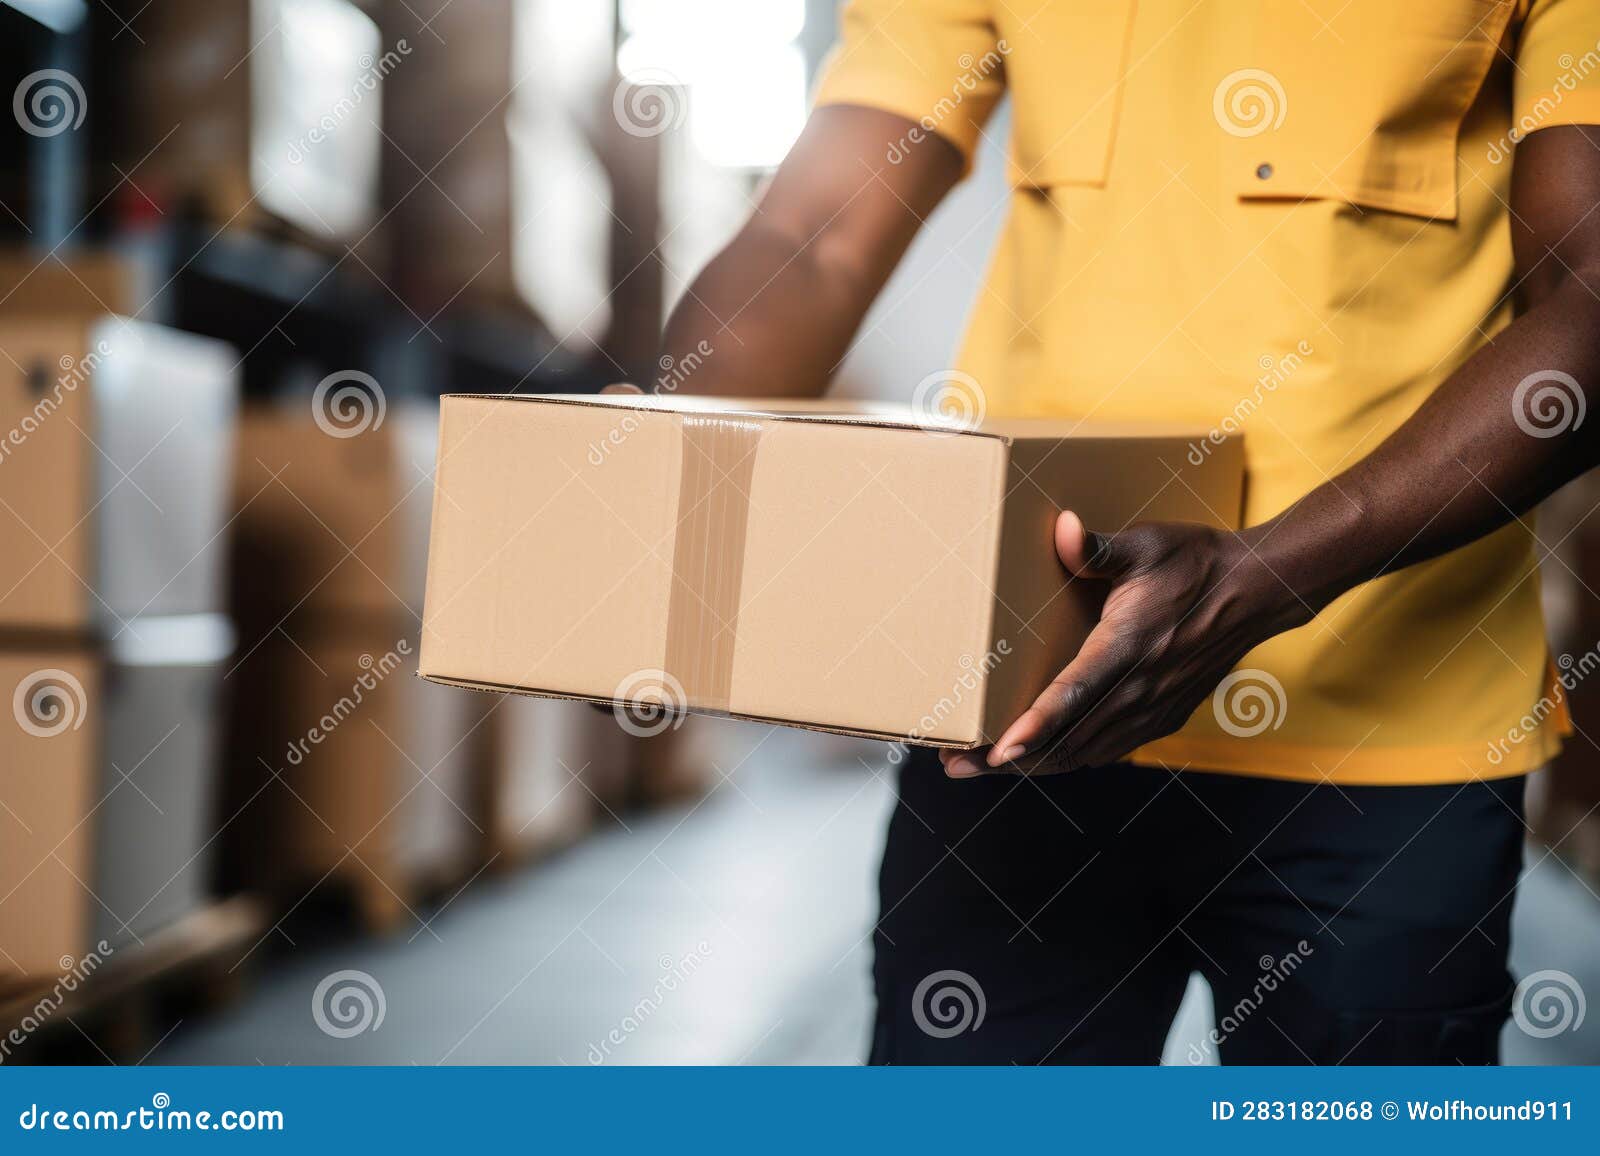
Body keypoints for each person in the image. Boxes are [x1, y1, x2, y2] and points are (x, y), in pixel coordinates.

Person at [635, 0, 1600, 1063]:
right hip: (1017, 710)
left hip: (1389, 745)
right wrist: (664, 519)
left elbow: (1587, 294)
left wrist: (1262, 577)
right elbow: (810, 235)